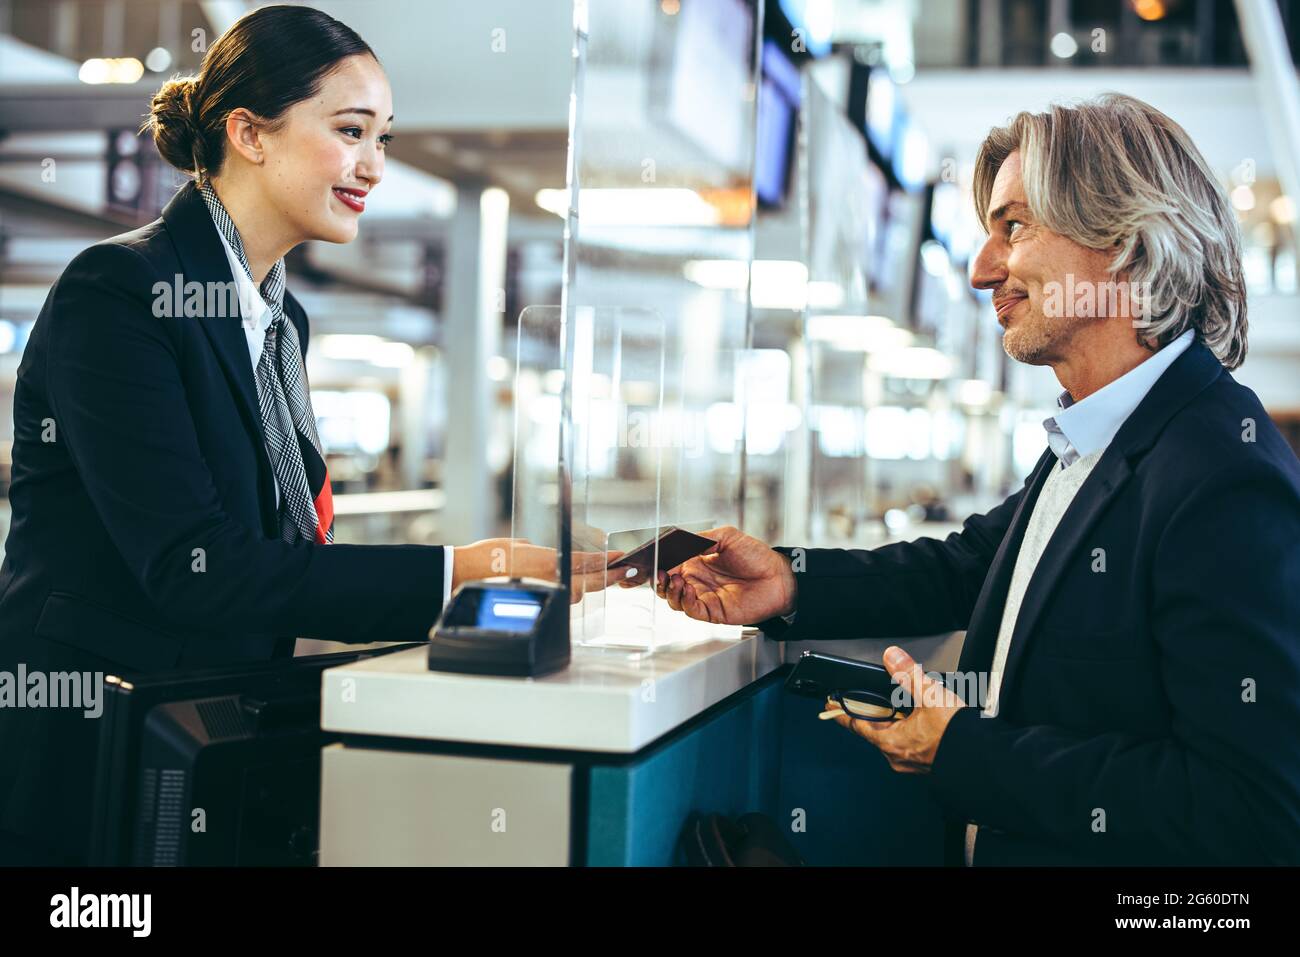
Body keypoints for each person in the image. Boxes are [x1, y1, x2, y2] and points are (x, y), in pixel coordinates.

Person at [0, 4, 620, 865]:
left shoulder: (279, 316)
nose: (373, 166)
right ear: (250, 133)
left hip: (210, 731)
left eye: (384, 138)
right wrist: (458, 572)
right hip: (88, 758)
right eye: (351, 130)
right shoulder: (122, 289)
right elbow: (191, 564)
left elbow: (276, 538)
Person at [651, 94, 1300, 865]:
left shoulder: (1221, 473)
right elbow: (971, 565)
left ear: (1125, 244)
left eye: (1014, 227)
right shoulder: (1099, 434)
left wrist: (962, 751)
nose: (981, 268)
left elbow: (1253, 813)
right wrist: (788, 581)